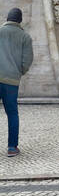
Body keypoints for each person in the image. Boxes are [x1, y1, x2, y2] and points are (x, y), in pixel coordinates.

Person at [0, 8, 33, 158]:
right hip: (11, 81)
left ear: (7, 18)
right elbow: (27, 60)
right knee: (12, 113)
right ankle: (12, 148)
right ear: (20, 20)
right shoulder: (25, 37)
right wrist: (19, 71)